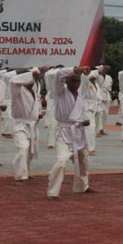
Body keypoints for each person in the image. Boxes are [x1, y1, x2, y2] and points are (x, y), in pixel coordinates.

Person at [48, 66, 95, 199]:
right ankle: (52, 191)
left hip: (78, 132)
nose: (75, 83)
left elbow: (76, 115)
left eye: (78, 81)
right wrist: (76, 70)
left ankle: (82, 186)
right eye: (72, 80)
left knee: (83, 161)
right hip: (64, 132)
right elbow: (59, 74)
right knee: (62, 160)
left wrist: (83, 121)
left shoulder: (80, 96)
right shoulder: (59, 92)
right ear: (66, 81)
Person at [10, 68, 46, 183]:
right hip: (20, 124)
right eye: (30, 77)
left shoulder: (34, 90)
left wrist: (38, 113)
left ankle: (26, 171)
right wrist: (30, 74)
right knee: (23, 147)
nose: (32, 80)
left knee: (30, 151)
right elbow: (12, 81)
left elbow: (37, 104)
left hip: (32, 124)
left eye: (34, 78)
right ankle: (20, 175)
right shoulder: (17, 90)